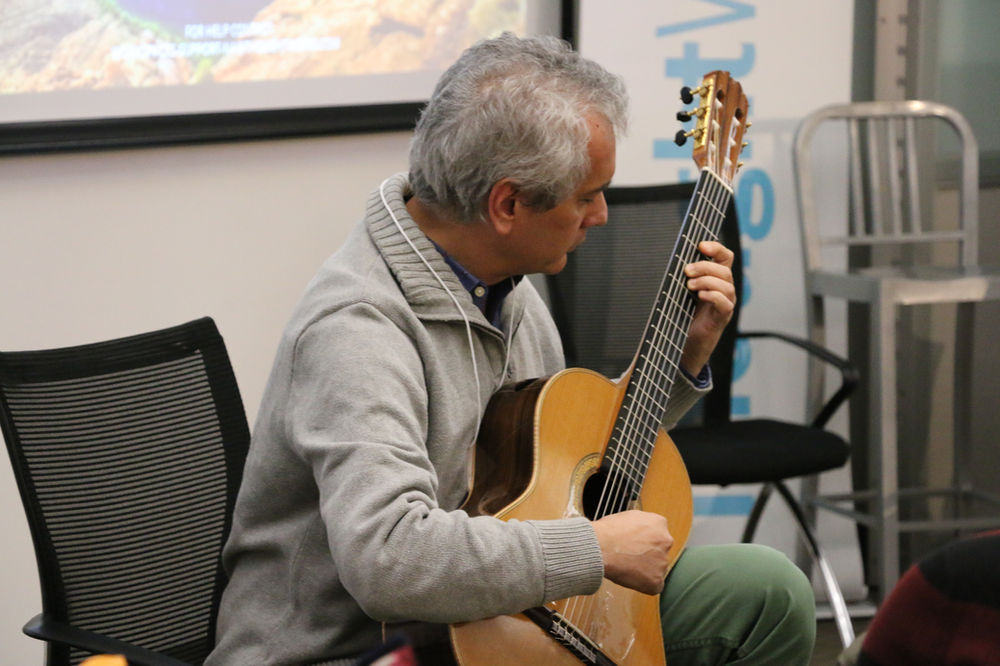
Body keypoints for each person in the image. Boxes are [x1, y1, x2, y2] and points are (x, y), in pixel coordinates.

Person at [207, 33, 815, 666]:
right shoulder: (356, 330)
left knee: (763, 592)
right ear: (507, 204)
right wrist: (594, 550)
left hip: (502, 614)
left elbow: (561, 467)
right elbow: (388, 559)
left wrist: (685, 359)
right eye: (587, 196)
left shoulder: (502, 284)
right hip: (352, 651)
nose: (602, 215)